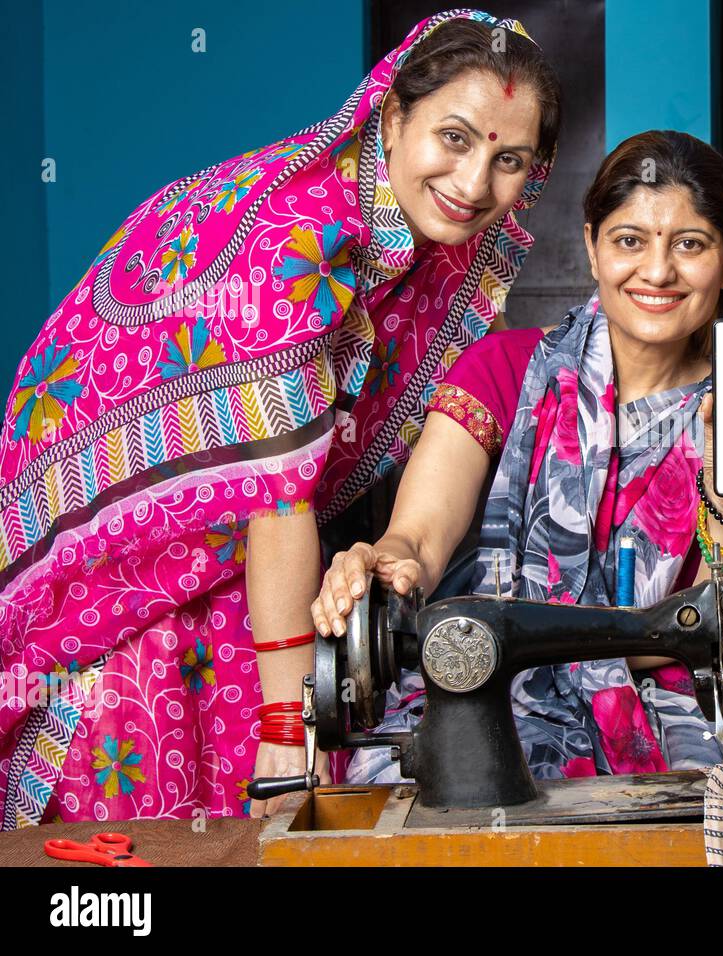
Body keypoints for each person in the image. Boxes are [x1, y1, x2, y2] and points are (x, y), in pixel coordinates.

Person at [0, 9, 560, 827]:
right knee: (200, 757)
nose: (476, 184)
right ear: (394, 116)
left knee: (275, 744)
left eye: (508, 160)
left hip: (221, 541)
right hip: (115, 559)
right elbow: (277, 499)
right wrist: (281, 728)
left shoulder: (397, 237)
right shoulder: (296, 244)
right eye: (455, 138)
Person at [314, 131, 723, 781]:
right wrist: (377, 568)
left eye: (690, 244)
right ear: (591, 246)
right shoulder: (501, 369)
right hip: (487, 687)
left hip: (675, 707)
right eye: (629, 240)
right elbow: (417, 538)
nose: (658, 271)